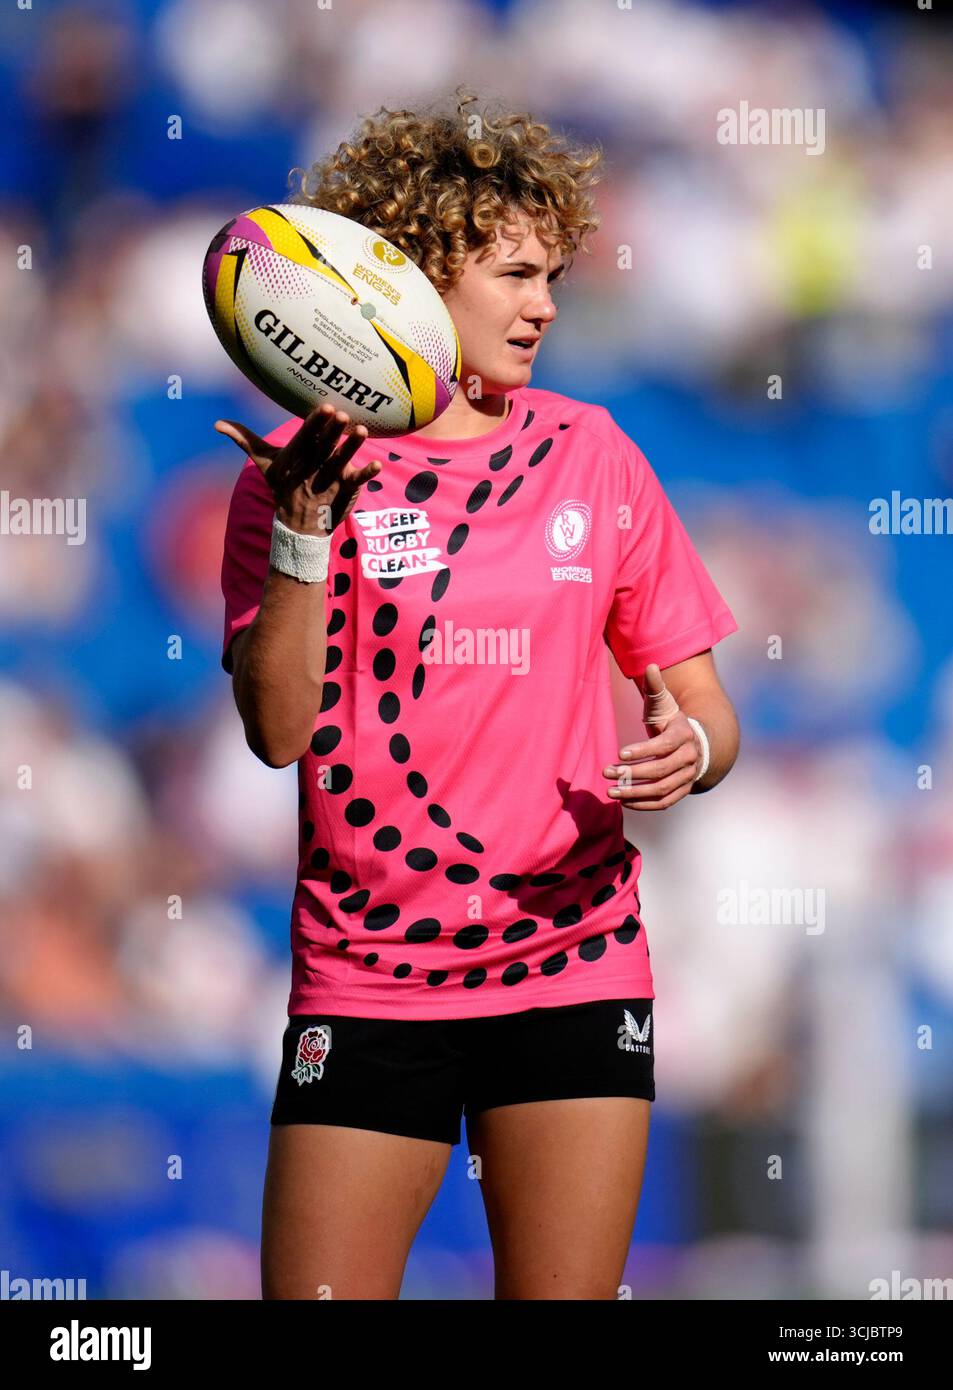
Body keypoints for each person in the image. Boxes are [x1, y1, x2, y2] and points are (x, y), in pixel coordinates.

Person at [216, 87, 740, 1300]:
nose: (545, 304)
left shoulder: (593, 450)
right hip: (367, 975)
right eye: (513, 273)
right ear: (410, 276)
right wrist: (305, 528)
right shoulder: (298, 473)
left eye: (551, 273)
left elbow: (707, 712)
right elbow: (276, 731)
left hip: (573, 965)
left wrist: (690, 753)